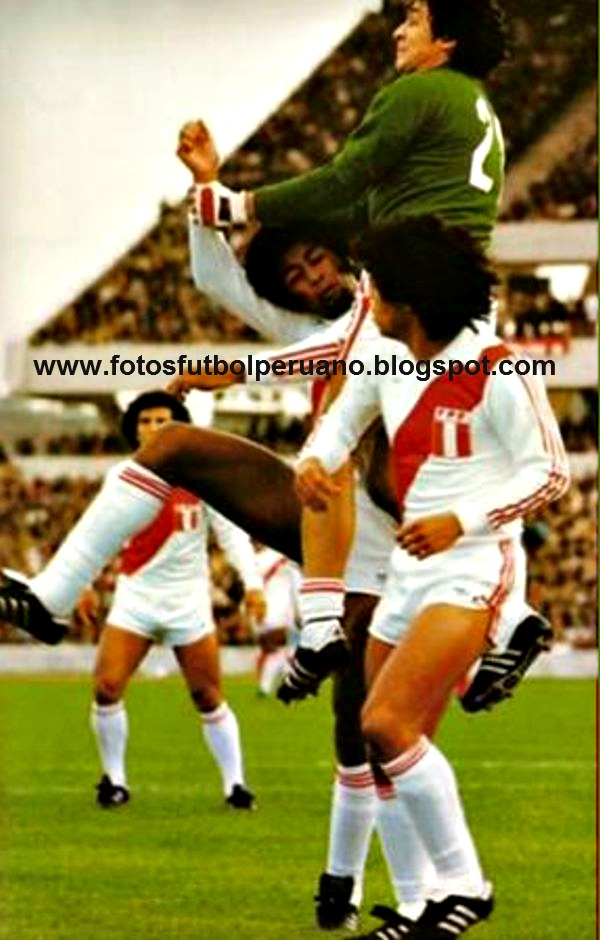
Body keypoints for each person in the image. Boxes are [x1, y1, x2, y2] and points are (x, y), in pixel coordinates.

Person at [295, 216, 570, 938]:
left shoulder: (500, 367)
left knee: (387, 724)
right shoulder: (380, 358)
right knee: (383, 743)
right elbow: (337, 427)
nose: (365, 295)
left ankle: (467, 889)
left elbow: (552, 473)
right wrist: (312, 469)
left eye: (375, 284)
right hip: (409, 571)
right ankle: (418, 907)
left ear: (407, 298)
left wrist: (464, 521)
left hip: (474, 565)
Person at [92, 391, 263, 809]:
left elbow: (232, 534)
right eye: (146, 420)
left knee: (208, 695)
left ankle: (235, 785)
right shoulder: (121, 476)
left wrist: (253, 583)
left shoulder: (202, 478)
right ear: (133, 427)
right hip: (136, 598)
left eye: (162, 420)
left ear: (179, 428)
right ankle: (114, 780)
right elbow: (97, 536)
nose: (153, 428)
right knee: (106, 686)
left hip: (188, 603)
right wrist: (83, 582)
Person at [253, 545, 300, 697]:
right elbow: (296, 583)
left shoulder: (258, 558)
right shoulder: (282, 558)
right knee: (278, 648)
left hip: (266, 610)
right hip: (278, 610)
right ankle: (276, 684)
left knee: (277, 648)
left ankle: (267, 686)